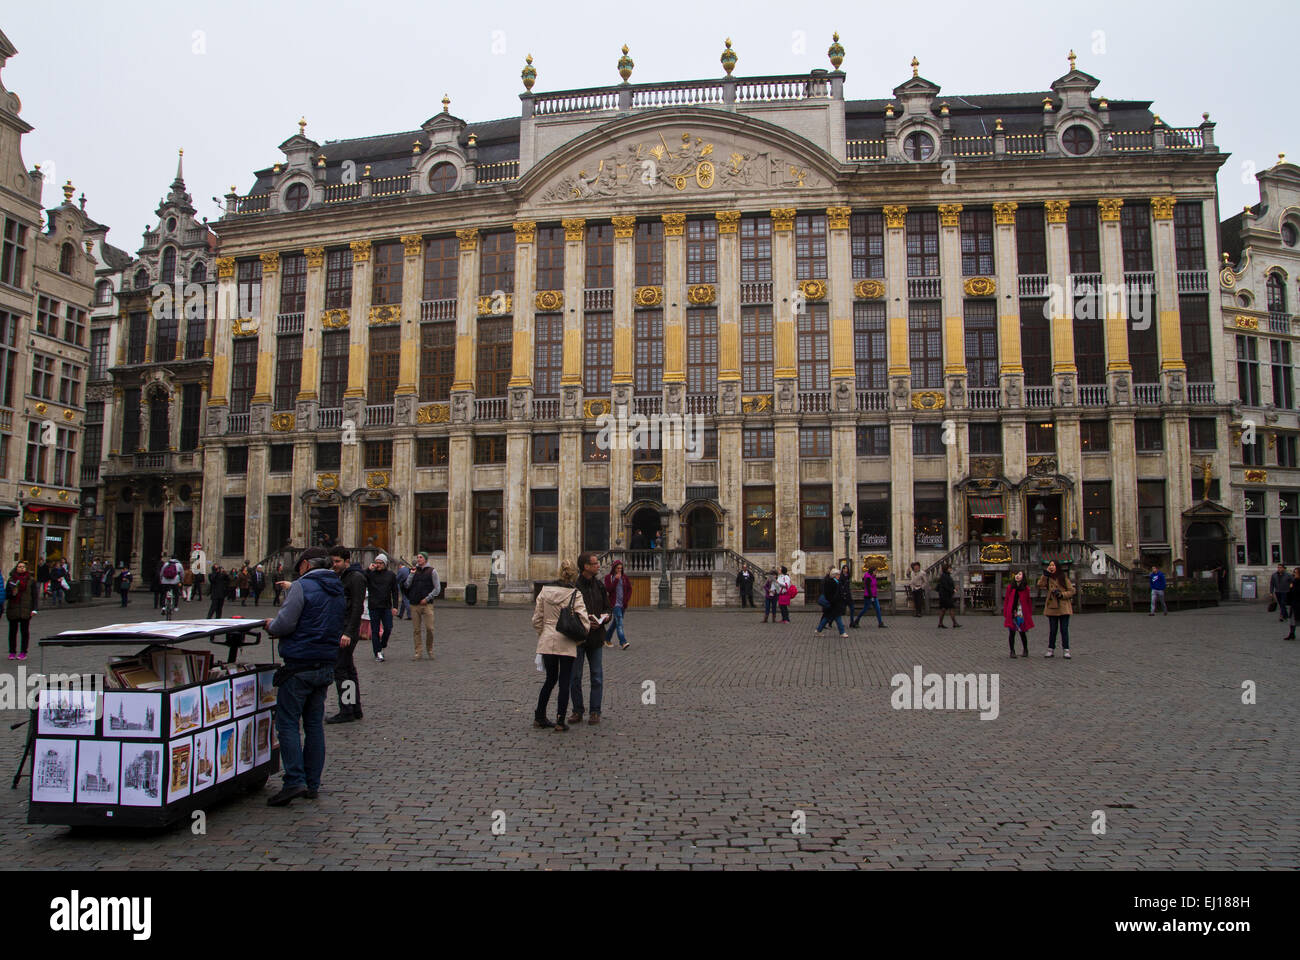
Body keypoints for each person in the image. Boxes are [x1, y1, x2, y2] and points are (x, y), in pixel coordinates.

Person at [263, 547, 345, 806]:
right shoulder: (337, 588)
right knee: (313, 725)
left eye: (299, 566)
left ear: (306, 565)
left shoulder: (301, 586)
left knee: (287, 723)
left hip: (300, 663)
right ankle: (312, 782)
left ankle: (294, 780)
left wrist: (270, 626)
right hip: (325, 663)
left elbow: (285, 623)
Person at [533, 559, 594, 731]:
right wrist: (579, 639)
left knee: (549, 680)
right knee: (564, 681)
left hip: (547, 640)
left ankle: (540, 716)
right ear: (574, 574)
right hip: (566, 641)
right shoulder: (575, 594)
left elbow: (536, 619)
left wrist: (544, 633)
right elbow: (584, 622)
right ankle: (560, 720)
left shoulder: (544, 591)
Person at [569, 552, 611, 725]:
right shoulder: (574, 587)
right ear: (585, 566)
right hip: (579, 637)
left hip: (595, 637)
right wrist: (586, 621)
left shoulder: (599, 586)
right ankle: (577, 710)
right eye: (594, 563)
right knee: (575, 676)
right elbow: (569, 612)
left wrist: (605, 618)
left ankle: (595, 711)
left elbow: (608, 608)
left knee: (596, 675)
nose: (598, 565)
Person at [326, 545, 367, 724]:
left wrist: (349, 632)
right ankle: (354, 707)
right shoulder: (339, 577)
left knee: (341, 670)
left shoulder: (356, 578)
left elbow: (357, 607)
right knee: (348, 669)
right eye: (332, 561)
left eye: (337, 561)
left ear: (347, 562)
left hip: (347, 631)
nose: (334, 564)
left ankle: (347, 709)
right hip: (341, 629)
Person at [1037, 560, 1076, 658]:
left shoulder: (1063, 577)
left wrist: (1062, 594)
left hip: (1063, 606)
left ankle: (1066, 650)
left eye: (1053, 565)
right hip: (1052, 606)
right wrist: (1045, 575)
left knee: (1064, 630)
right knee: (1053, 630)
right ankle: (1051, 649)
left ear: (1057, 567)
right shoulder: (1048, 577)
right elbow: (1040, 585)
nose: (1051, 567)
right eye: (1050, 565)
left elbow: (1072, 591)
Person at [365, 554, 400, 660]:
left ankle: (383, 644)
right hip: (374, 606)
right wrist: (368, 570)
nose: (378, 565)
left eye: (380, 563)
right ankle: (378, 652)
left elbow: (395, 591)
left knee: (388, 627)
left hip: (386, 606)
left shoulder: (391, 575)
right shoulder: (370, 574)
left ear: (385, 564)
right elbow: (361, 577)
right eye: (377, 563)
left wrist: (395, 606)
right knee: (375, 631)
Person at [407, 553, 441, 659]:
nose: (418, 559)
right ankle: (418, 651)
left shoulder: (432, 571)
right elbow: (407, 585)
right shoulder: (413, 571)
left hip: (427, 604)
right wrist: (411, 574)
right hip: (414, 604)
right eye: (417, 557)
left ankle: (429, 649)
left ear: (425, 559)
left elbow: (437, 589)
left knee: (429, 628)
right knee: (416, 630)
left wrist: (427, 598)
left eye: (420, 557)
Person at [6, 561, 38, 661]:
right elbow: (7, 594)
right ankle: (12, 652)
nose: (21, 568)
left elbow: (34, 596)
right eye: (19, 567)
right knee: (12, 632)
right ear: (16, 568)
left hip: (25, 609)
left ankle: (23, 652)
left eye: (23, 567)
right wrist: (12, 593)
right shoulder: (11, 580)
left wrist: (34, 609)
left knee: (24, 632)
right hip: (13, 609)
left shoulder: (31, 580)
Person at [1003, 569, 1034, 658]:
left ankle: (1025, 649)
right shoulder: (1010, 587)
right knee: (1011, 632)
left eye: (1019, 574)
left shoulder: (1026, 588)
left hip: (1021, 612)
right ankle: (1012, 651)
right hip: (1012, 612)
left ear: (1023, 576)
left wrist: (1029, 613)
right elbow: (1007, 600)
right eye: (1016, 574)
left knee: (1022, 632)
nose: (1017, 576)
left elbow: (1028, 601)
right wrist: (1006, 612)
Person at [603, 559, 631, 649]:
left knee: (615, 623)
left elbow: (629, 589)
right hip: (614, 604)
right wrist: (616, 580)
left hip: (623, 604)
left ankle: (606, 638)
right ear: (614, 568)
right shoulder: (609, 577)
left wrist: (626, 600)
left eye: (621, 568)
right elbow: (609, 589)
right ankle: (623, 642)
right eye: (618, 568)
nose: (619, 570)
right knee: (619, 623)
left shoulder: (624, 577)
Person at [815, 567, 849, 638]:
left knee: (827, 617)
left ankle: (818, 630)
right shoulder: (831, 582)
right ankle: (842, 632)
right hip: (833, 604)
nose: (839, 576)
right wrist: (833, 601)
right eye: (838, 575)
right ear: (834, 575)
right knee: (837, 617)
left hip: (834, 604)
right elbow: (829, 594)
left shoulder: (836, 582)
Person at [936, 563, 960, 628]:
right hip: (945, 595)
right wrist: (954, 590)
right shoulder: (944, 576)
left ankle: (940, 623)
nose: (951, 569)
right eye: (949, 568)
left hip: (945, 595)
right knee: (951, 608)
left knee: (943, 609)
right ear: (946, 569)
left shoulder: (947, 576)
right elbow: (946, 586)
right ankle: (954, 623)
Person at [1285, 568, 1300, 641]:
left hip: (1298, 603)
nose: (1294, 574)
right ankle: (1292, 634)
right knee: (1292, 619)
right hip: (1294, 603)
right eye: (1294, 572)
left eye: (1296, 573)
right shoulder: (1294, 582)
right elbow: (1291, 593)